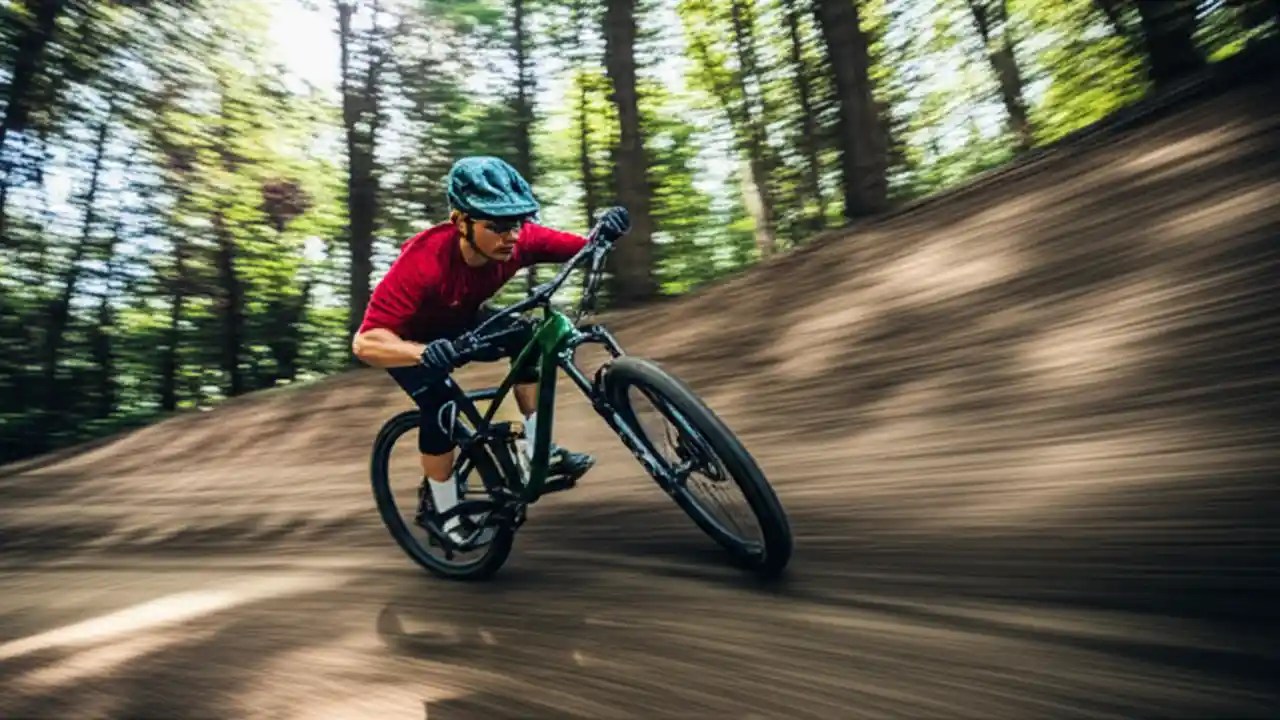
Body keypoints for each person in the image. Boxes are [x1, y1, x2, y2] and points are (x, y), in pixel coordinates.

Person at [351, 155, 630, 544]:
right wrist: (421, 354)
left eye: (516, 223)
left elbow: (584, 248)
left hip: (463, 321)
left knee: (526, 337)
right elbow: (365, 341)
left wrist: (606, 232)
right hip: (409, 344)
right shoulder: (423, 261)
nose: (510, 236)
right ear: (459, 221)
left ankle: (537, 449)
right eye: (496, 226)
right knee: (441, 407)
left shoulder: (519, 240)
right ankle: (446, 514)